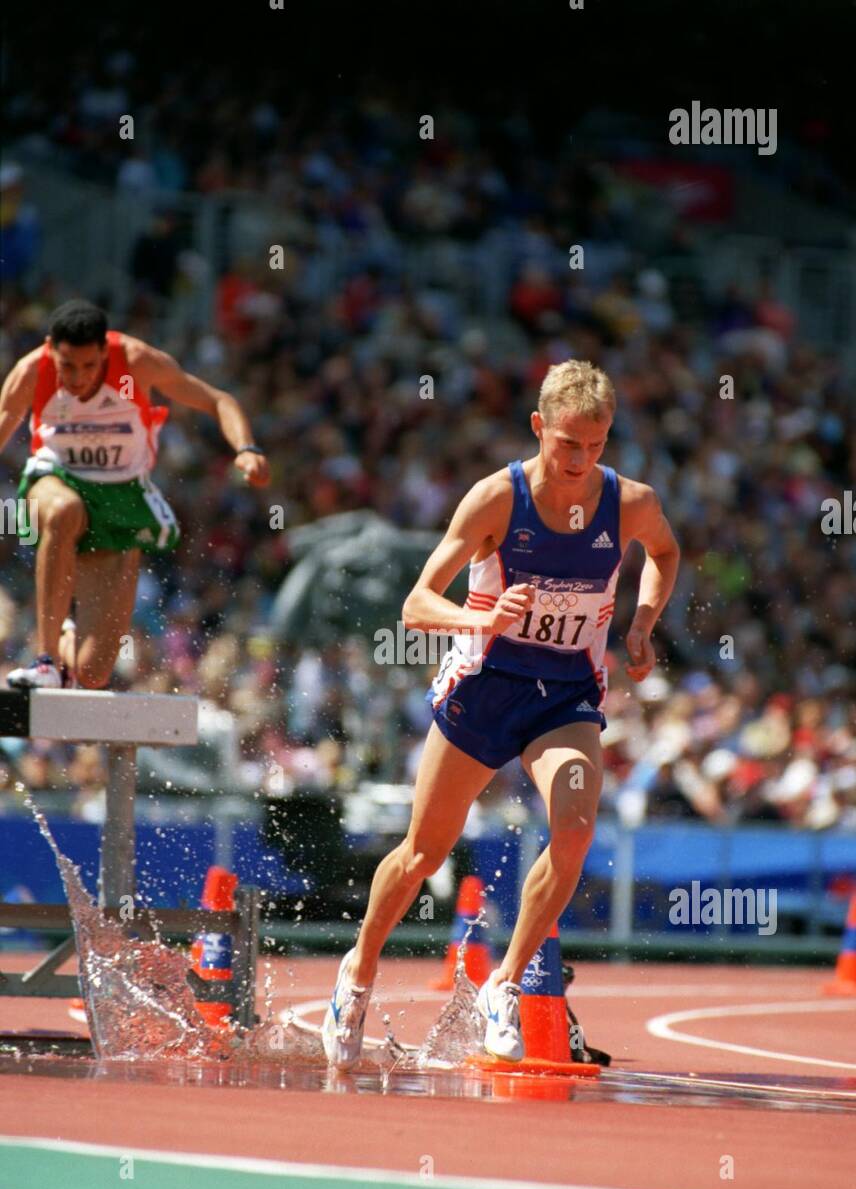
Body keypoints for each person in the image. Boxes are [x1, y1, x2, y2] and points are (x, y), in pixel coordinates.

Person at [322, 359, 680, 1067]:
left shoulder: (628, 502)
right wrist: (479, 620)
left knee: (575, 829)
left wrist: (641, 625)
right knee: (423, 852)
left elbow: (665, 552)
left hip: (566, 694)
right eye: (568, 443)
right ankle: (357, 971)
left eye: (597, 445)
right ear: (538, 427)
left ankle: (505, 982)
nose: (582, 461)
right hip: (486, 683)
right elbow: (416, 603)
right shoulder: (497, 500)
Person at [0, 298, 269, 689]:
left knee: (94, 672)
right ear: (50, 349)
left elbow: (217, 399)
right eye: (67, 366)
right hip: (54, 480)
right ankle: (46, 662)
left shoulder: (137, 362)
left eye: (89, 366)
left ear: (105, 351)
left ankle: (64, 637)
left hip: (120, 500)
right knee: (63, 511)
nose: (77, 379)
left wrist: (247, 448)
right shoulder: (32, 371)